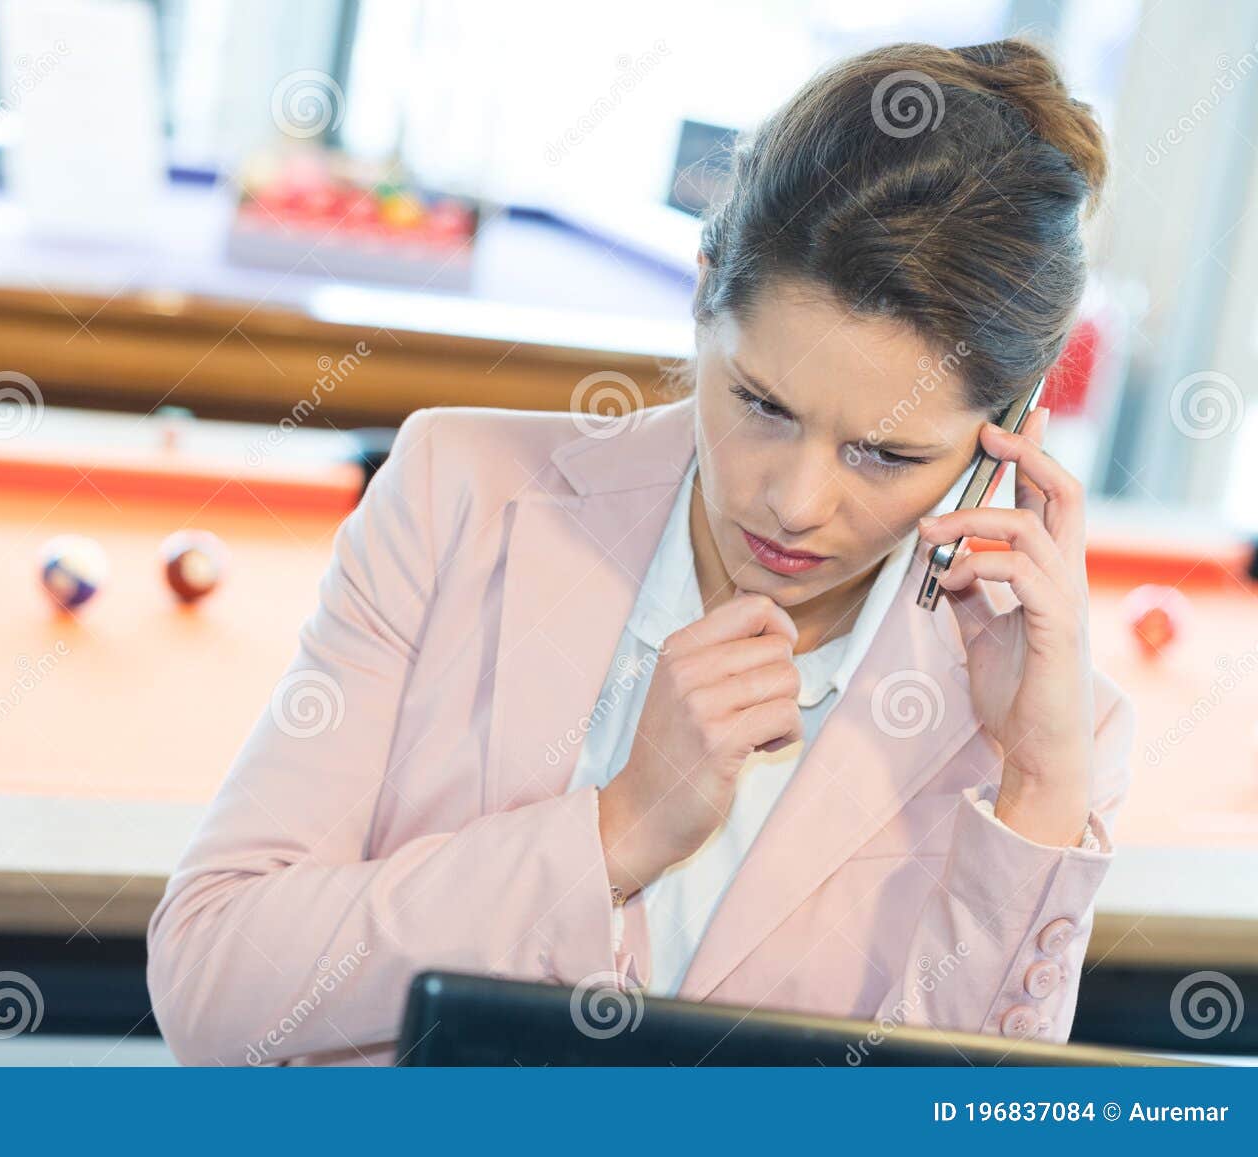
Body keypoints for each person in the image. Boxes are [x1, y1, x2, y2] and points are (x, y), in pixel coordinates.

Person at [147, 36, 1132, 1066]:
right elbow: (214, 987)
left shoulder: (1058, 728)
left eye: (884, 453)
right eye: (760, 401)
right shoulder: (457, 492)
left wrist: (1038, 783)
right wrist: (614, 831)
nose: (793, 503)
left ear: (1010, 425)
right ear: (704, 292)